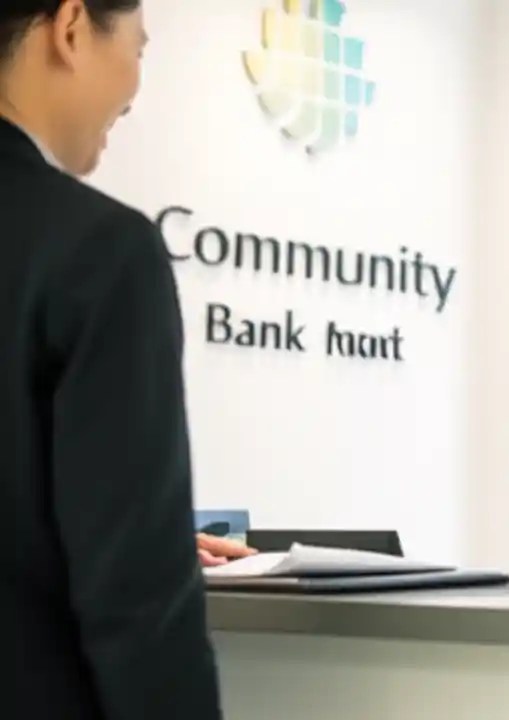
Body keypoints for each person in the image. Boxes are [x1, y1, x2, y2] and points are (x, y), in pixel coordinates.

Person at [0, 1, 226, 717]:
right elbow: (137, 603)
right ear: (70, 28)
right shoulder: (99, 253)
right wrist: (136, 531)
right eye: (139, 46)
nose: (135, 84)